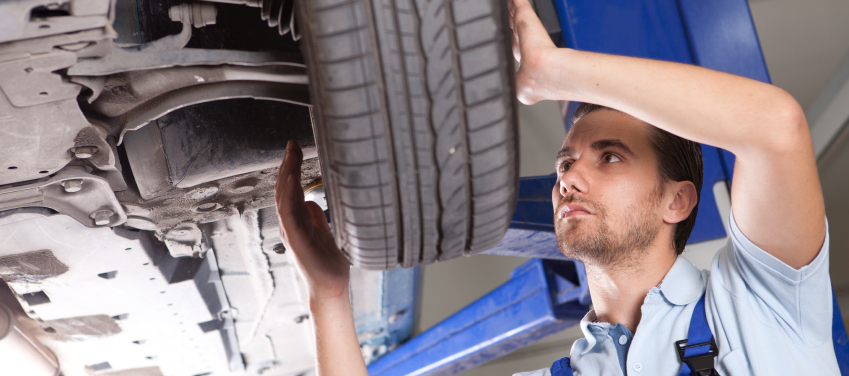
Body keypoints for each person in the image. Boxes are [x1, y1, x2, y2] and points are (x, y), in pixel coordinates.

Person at [273, 0, 837, 374]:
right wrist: (328, 296)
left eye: (609, 156)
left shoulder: (764, 302)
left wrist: (556, 71)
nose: (568, 175)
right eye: (566, 160)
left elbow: (774, 128)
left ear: (678, 199)